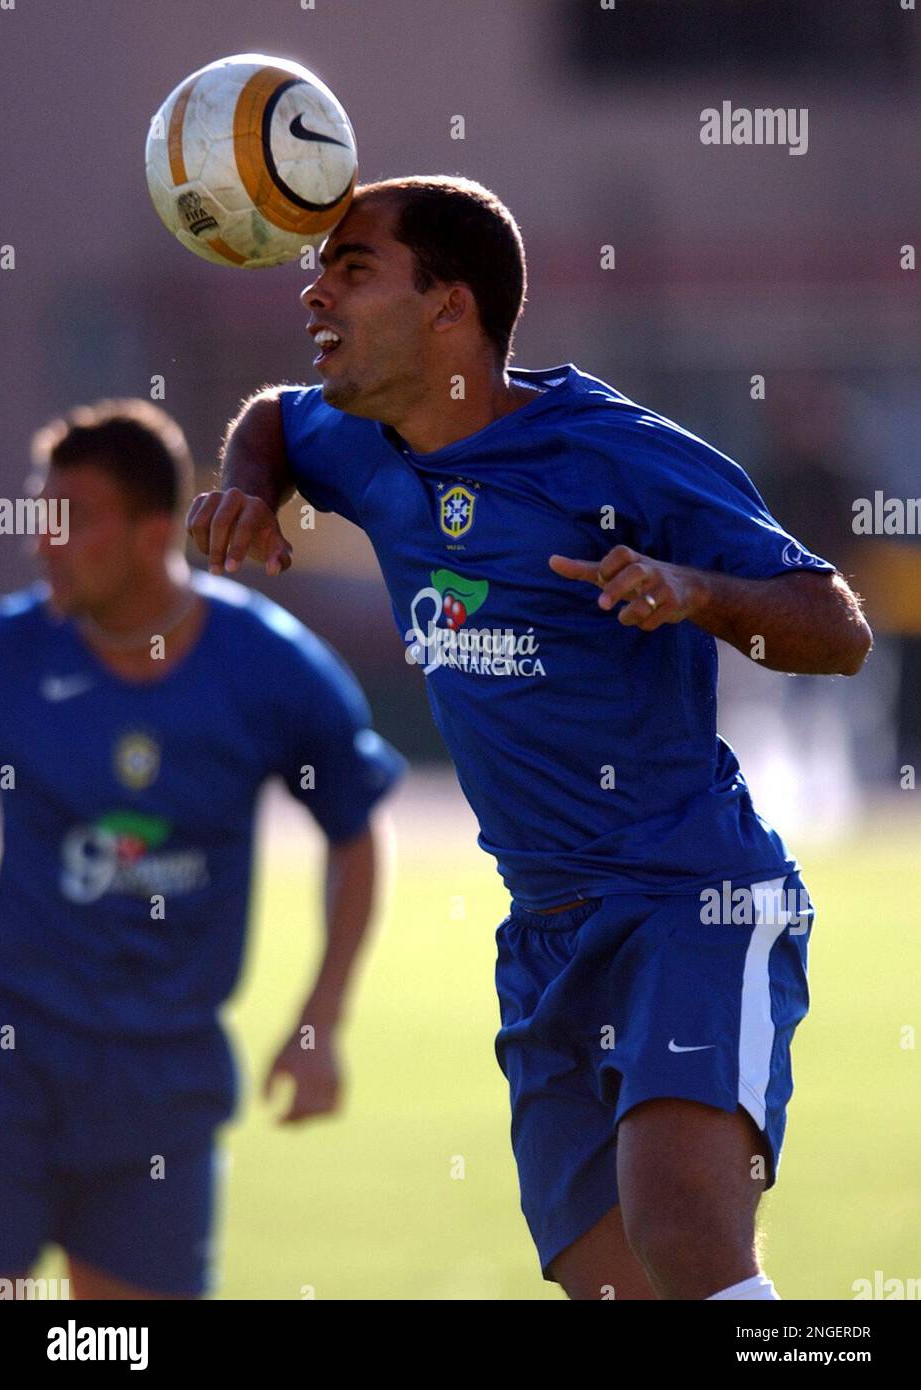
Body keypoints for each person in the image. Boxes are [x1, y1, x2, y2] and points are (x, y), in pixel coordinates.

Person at [187, 176, 872, 1301]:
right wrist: (247, 484)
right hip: (545, 935)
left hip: (687, 898)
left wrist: (694, 587)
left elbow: (837, 629)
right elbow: (270, 415)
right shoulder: (361, 440)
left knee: (685, 1234)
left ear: (449, 309)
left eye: (352, 269)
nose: (314, 291)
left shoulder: (617, 455)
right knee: (613, 1285)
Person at [0, 398, 404, 1300]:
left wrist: (320, 1018)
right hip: (12, 1064)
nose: (44, 543)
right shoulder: (11, 654)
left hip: (163, 1086)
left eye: (72, 521)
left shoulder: (268, 668)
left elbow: (353, 831)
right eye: (39, 516)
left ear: (152, 535)